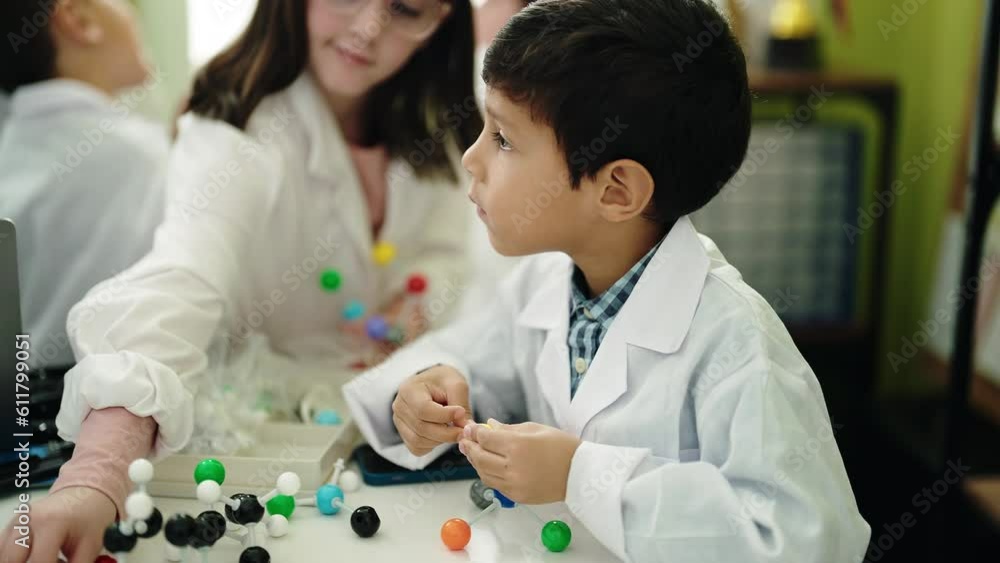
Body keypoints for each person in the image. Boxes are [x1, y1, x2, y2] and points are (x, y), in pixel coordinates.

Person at [343, 0, 872, 561]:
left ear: (616, 190)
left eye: (502, 139)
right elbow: (467, 362)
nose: (471, 160)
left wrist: (583, 475)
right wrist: (428, 389)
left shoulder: (737, 342)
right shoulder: (545, 282)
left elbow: (805, 540)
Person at [0, 0, 481, 561]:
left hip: (380, 443)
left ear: (440, 21)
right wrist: (97, 474)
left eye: (407, 9)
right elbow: (184, 277)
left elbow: (445, 251)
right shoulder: (240, 120)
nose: (368, 29)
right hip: (263, 452)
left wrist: (417, 296)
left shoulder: (435, 124)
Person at [0, 0, 168, 369]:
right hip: (106, 412)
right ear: (79, 19)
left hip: (19, 411)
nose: (131, 15)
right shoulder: (146, 158)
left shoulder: (12, 150)